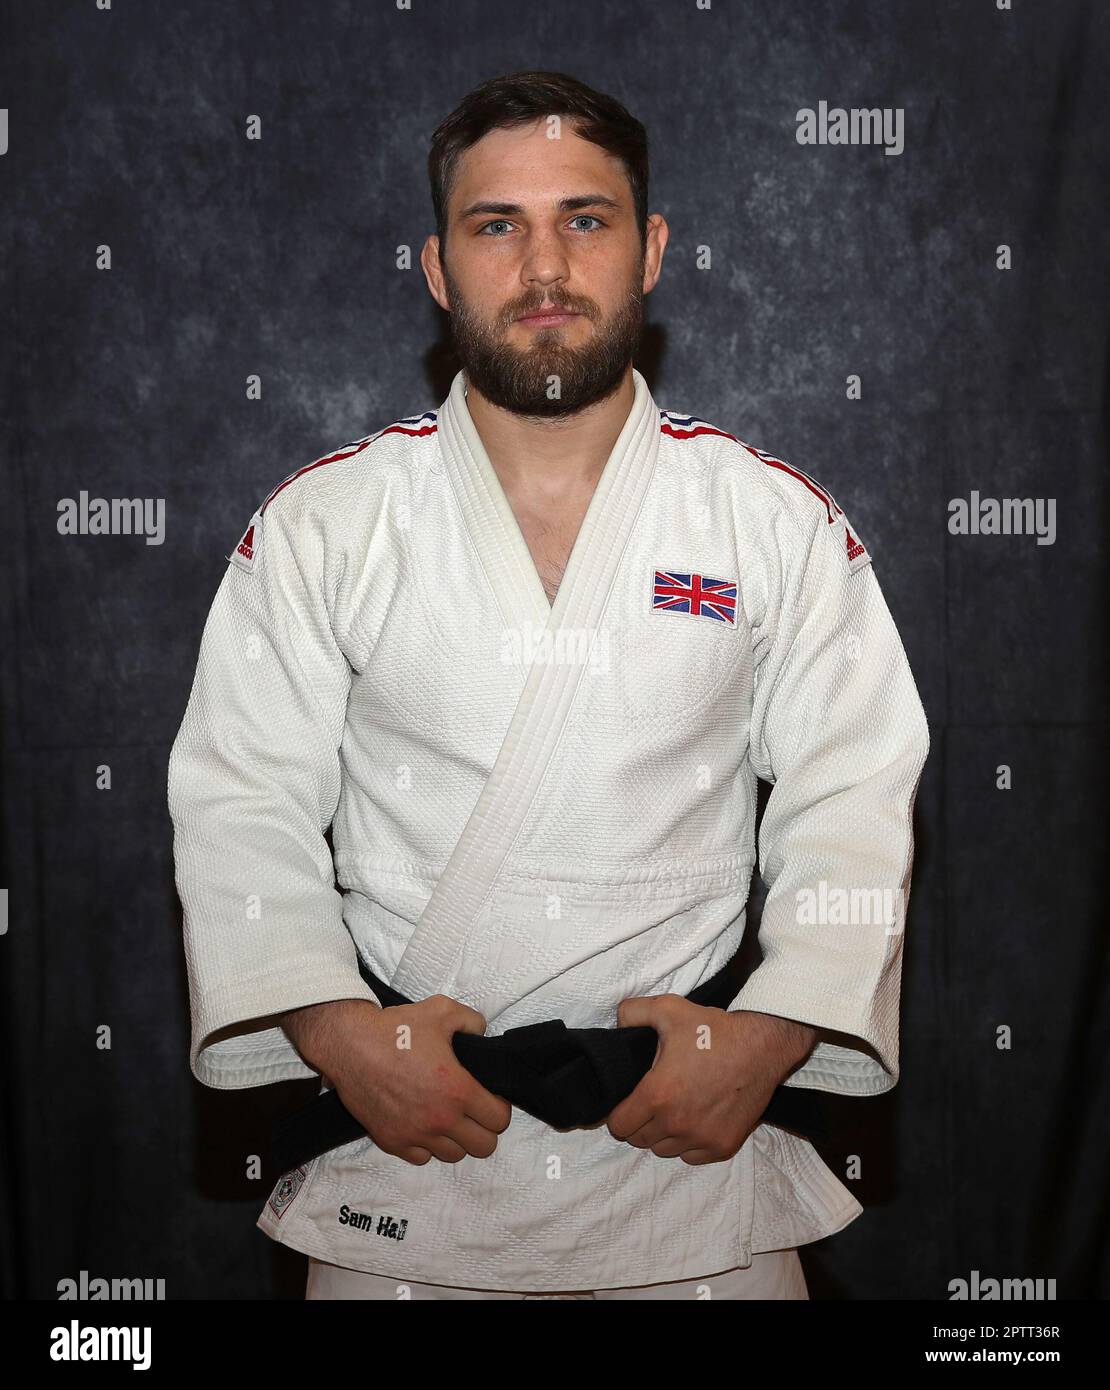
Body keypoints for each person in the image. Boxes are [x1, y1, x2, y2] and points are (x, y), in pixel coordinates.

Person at [168, 70, 930, 1301]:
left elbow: (856, 800)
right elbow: (238, 807)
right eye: (495, 225)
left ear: (652, 251)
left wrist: (770, 1037)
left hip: (689, 1156)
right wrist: (342, 1037)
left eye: (585, 219)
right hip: (408, 1152)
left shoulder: (771, 524)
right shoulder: (326, 524)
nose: (542, 267)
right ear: (434, 266)